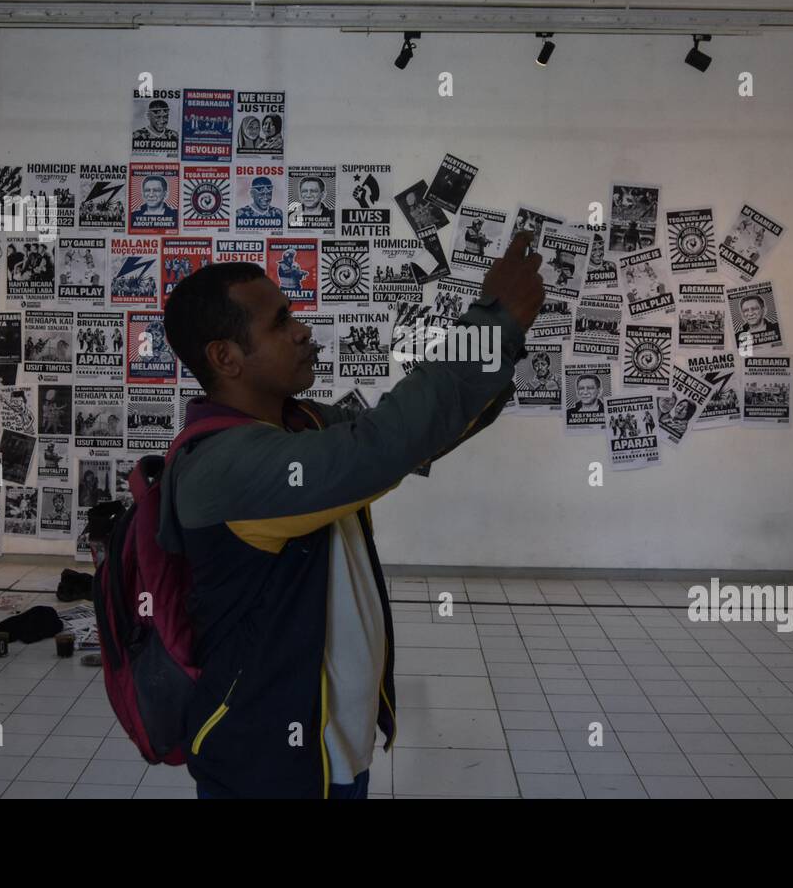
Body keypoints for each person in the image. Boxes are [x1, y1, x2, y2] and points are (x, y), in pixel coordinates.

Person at [158, 232, 543, 799]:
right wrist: (494, 322)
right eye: (281, 321)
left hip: (332, 749)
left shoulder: (300, 423)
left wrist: (501, 339)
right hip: (268, 764)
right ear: (225, 357)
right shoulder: (223, 467)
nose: (302, 330)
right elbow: (380, 447)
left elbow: (412, 437)